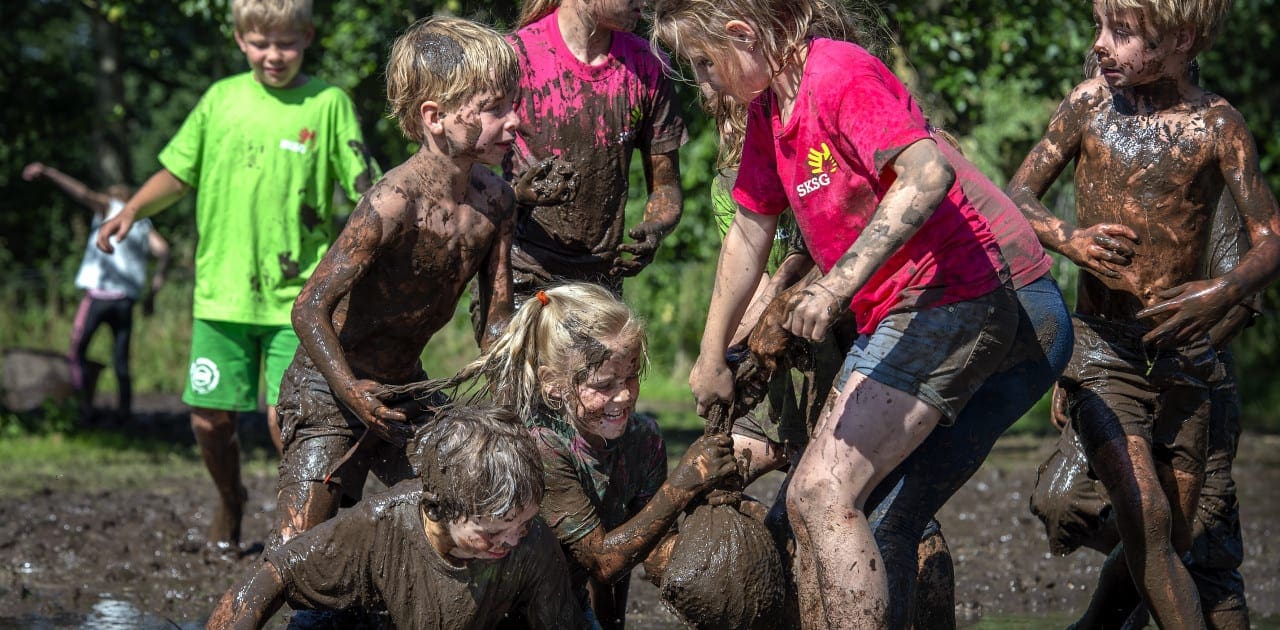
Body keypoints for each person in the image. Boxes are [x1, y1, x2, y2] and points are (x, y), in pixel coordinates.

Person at [653, 1, 1025, 626]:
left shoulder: (839, 74)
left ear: (742, 36)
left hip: (946, 296)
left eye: (703, 63)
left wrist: (836, 287)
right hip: (901, 311)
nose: (704, 82)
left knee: (824, 491)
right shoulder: (772, 109)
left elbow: (927, 172)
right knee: (807, 495)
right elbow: (748, 231)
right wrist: (710, 354)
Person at [1006, 0, 1280, 625]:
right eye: (1099, 27)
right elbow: (1016, 195)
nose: (1101, 44)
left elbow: (1270, 239)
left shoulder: (1217, 127)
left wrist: (1222, 291)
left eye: (1121, 33)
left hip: (1184, 355)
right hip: (1103, 347)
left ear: (1181, 39)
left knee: (1175, 538)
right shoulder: (1087, 105)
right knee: (1148, 519)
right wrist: (1066, 237)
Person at [95, 0, 378, 548]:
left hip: (297, 300)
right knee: (208, 420)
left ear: (308, 37)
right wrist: (131, 209)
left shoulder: (328, 103)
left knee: (287, 424)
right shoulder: (219, 100)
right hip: (221, 295)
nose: (274, 55)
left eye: (287, 43)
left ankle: (300, 540)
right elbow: (177, 174)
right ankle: (231, 501)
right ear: (240, 41)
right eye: (261, 43)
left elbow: (365, 187)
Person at [271, 15, 521, 548]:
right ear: (435, 117)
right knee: (295, 555)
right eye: (495, 108)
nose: (515, 120)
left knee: (447, 522)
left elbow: (496, 319)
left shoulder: (496, 202)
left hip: (404, 391)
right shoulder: (392, 203)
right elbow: (309, 307)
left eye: (512, 102)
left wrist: (521, 368)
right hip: (327, 387)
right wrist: (349, 391)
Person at [419, 281, 738, 628]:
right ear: (553, 383)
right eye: (603, 385)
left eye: (631, 377)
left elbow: (633, 545)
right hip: (497, 607)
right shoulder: (540, 445)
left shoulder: (644, 441)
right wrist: (683, 485)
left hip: (565, 598)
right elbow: (602, 560)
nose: (623, 397)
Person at [1030, 191, 1259, 629]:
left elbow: (1241, 300)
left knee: (1205, 547)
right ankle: (1144, 575)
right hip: (1110, 364)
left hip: (1197, 378)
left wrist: (1186, 357)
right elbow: (1099, 283)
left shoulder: (1209, 162)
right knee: (1062, 501)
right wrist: (1071, 363)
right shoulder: (1113, 166)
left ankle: (1138, 592)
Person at [206, 405, 590, 629]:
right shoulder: (378, 526)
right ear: (437, 510)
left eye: (522, 524)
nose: (511, 540)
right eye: (493, 532)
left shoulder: (533, 543)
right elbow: (275, 574)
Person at [496, 0, 687, 314]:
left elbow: (666, 187)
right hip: (518, 273)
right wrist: (516, 195)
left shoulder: (647, 66)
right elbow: (468, 179)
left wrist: (655, 228)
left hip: (599, 283)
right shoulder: (514, 58)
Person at [21, 162, 169, 420]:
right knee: (121, 360)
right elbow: (164, 251)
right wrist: (153, 292)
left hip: (99, 297)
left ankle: (81, 405)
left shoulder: (110, 208)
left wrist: (50, 172)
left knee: (77, 352)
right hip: (126, 300)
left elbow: (82, 192)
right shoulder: (143, 223)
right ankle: (125, 413)